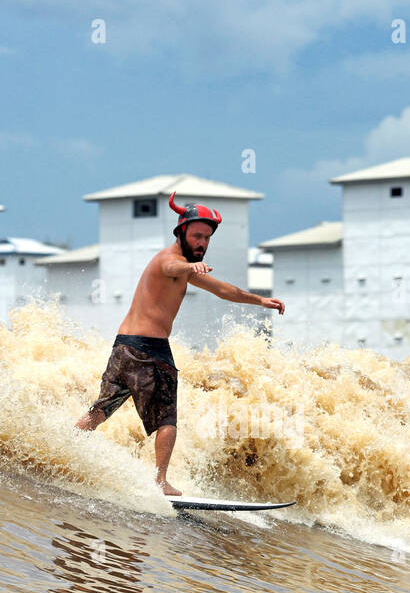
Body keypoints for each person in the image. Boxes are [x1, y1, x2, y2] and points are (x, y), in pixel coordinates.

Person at [75, 191, 286, 496]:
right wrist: (190, 268)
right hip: (148, 350)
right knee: (167, 418)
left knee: (101, 410)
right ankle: (160, 482)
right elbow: (173, 267)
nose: (202, 243)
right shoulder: (171, 260)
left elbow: (223, 290)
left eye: (207, 238)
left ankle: (64, 445)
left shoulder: (186, 265)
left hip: (124, 347)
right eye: (197, 236)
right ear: (181, 232)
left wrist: (260, 300)